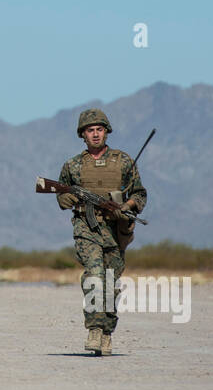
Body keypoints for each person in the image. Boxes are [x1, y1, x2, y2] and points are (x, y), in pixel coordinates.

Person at [55, 109, 147, 356]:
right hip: (86, 227)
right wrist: (73, 197)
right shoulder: (73, 165)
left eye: (99, 129)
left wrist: (127, 206)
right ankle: (94, 329)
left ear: (106, 132)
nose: (95, 134)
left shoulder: (124, 161)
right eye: (90, 130)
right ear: (82, 135)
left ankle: (106, 332)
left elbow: (139, 193)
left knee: (110, 283)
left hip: (115, 230)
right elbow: (61, 195)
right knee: (94, 275)